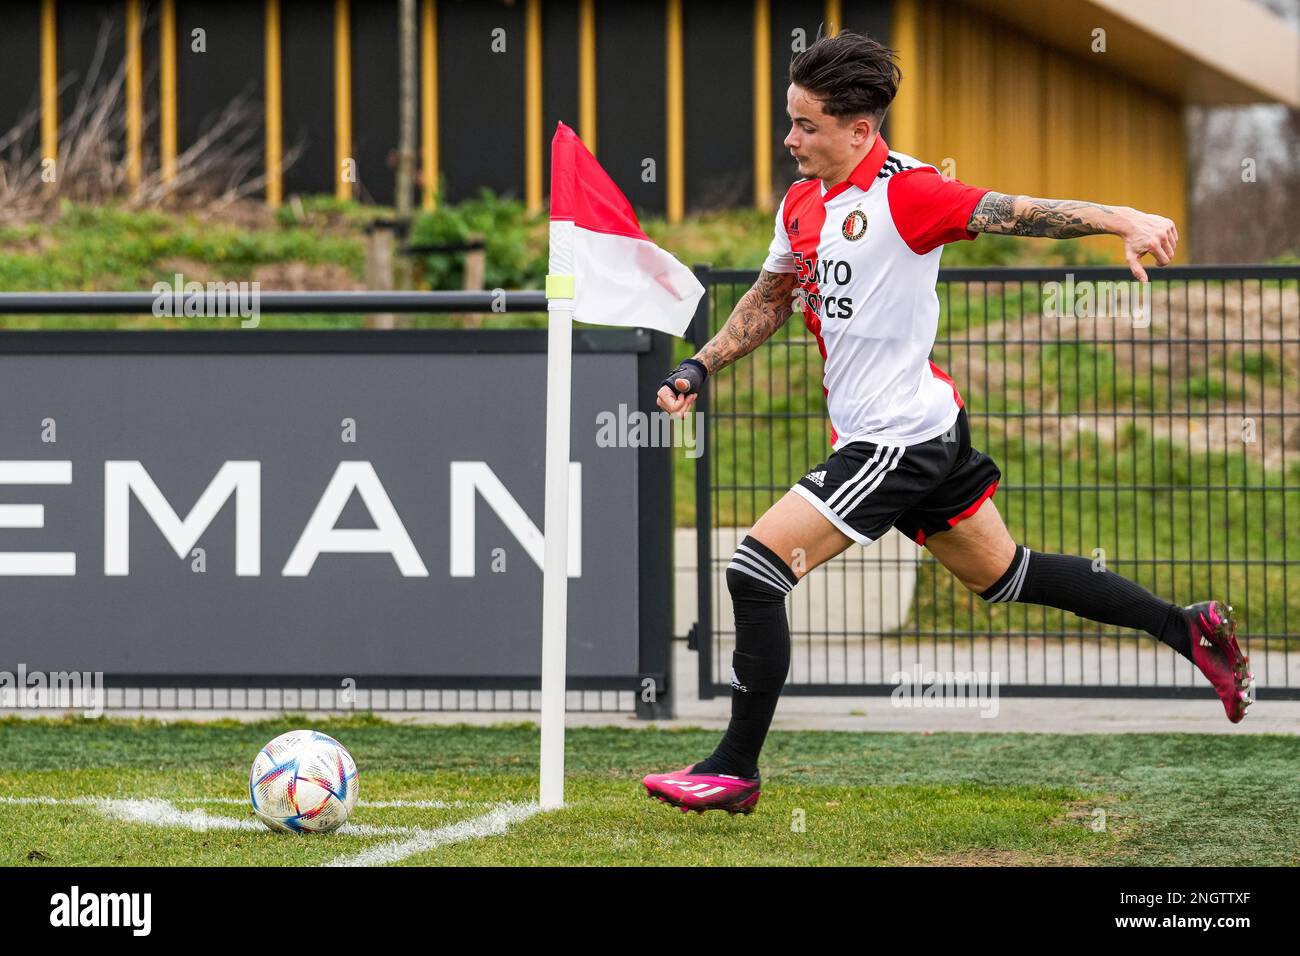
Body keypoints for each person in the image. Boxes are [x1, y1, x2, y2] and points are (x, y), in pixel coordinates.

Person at [642, 30, 1254, 816]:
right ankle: (1190, 629)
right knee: (1004, 575)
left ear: (860, 131)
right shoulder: (802, 202)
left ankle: (734, 769)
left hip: (897, 437)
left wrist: (1118, 215)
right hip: (917, 426)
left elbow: (1015, 212)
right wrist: (701, 365)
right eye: (789, 121)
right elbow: (770, 297)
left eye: (806, 125)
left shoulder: (909, 192)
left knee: (755, 570)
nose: (789, 139)